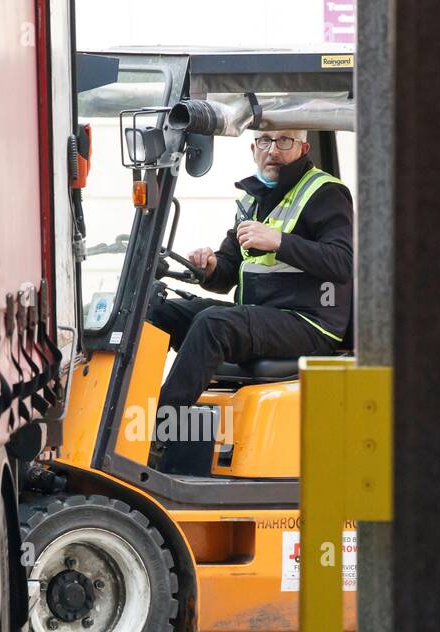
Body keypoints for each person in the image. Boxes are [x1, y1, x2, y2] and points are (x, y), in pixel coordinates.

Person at [146, 129, 353, 466]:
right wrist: (211, 266)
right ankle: (118, 419)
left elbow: (342, 262)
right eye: (265, 141)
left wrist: (279, 241)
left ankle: (158, 435)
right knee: (160, 312)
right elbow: (228, 272)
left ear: (303, 147)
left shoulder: (326, 193)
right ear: (252, 147)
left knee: (214, 324)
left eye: (284, 141)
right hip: (260, 316)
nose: (273, 149)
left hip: (310, 323)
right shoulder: (253, 199)